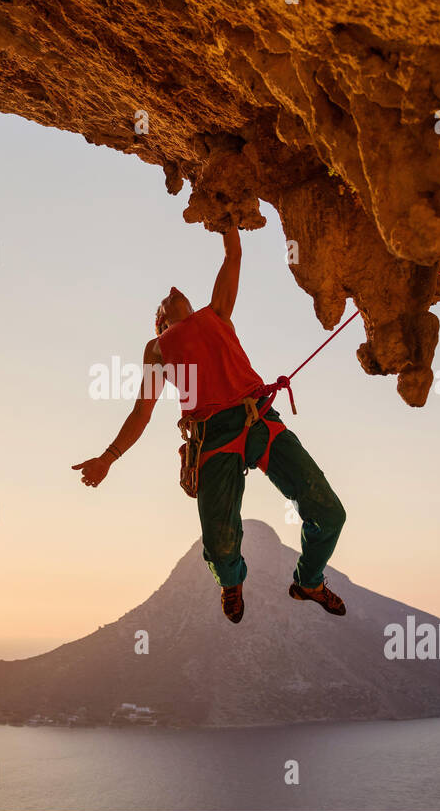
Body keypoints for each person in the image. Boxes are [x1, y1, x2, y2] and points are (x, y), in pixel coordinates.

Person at [72, 227, 347, 624]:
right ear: (161, 323)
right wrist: (108, 458)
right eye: (165, 300)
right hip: (212, 436)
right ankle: (231, 581)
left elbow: (233, 255)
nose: (173, 289)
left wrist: (228, 219)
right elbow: (142, 411)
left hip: (259, 418)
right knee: (219, 543)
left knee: (329, 512)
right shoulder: (158, 349)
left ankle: (309, 582)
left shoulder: (216, 313)